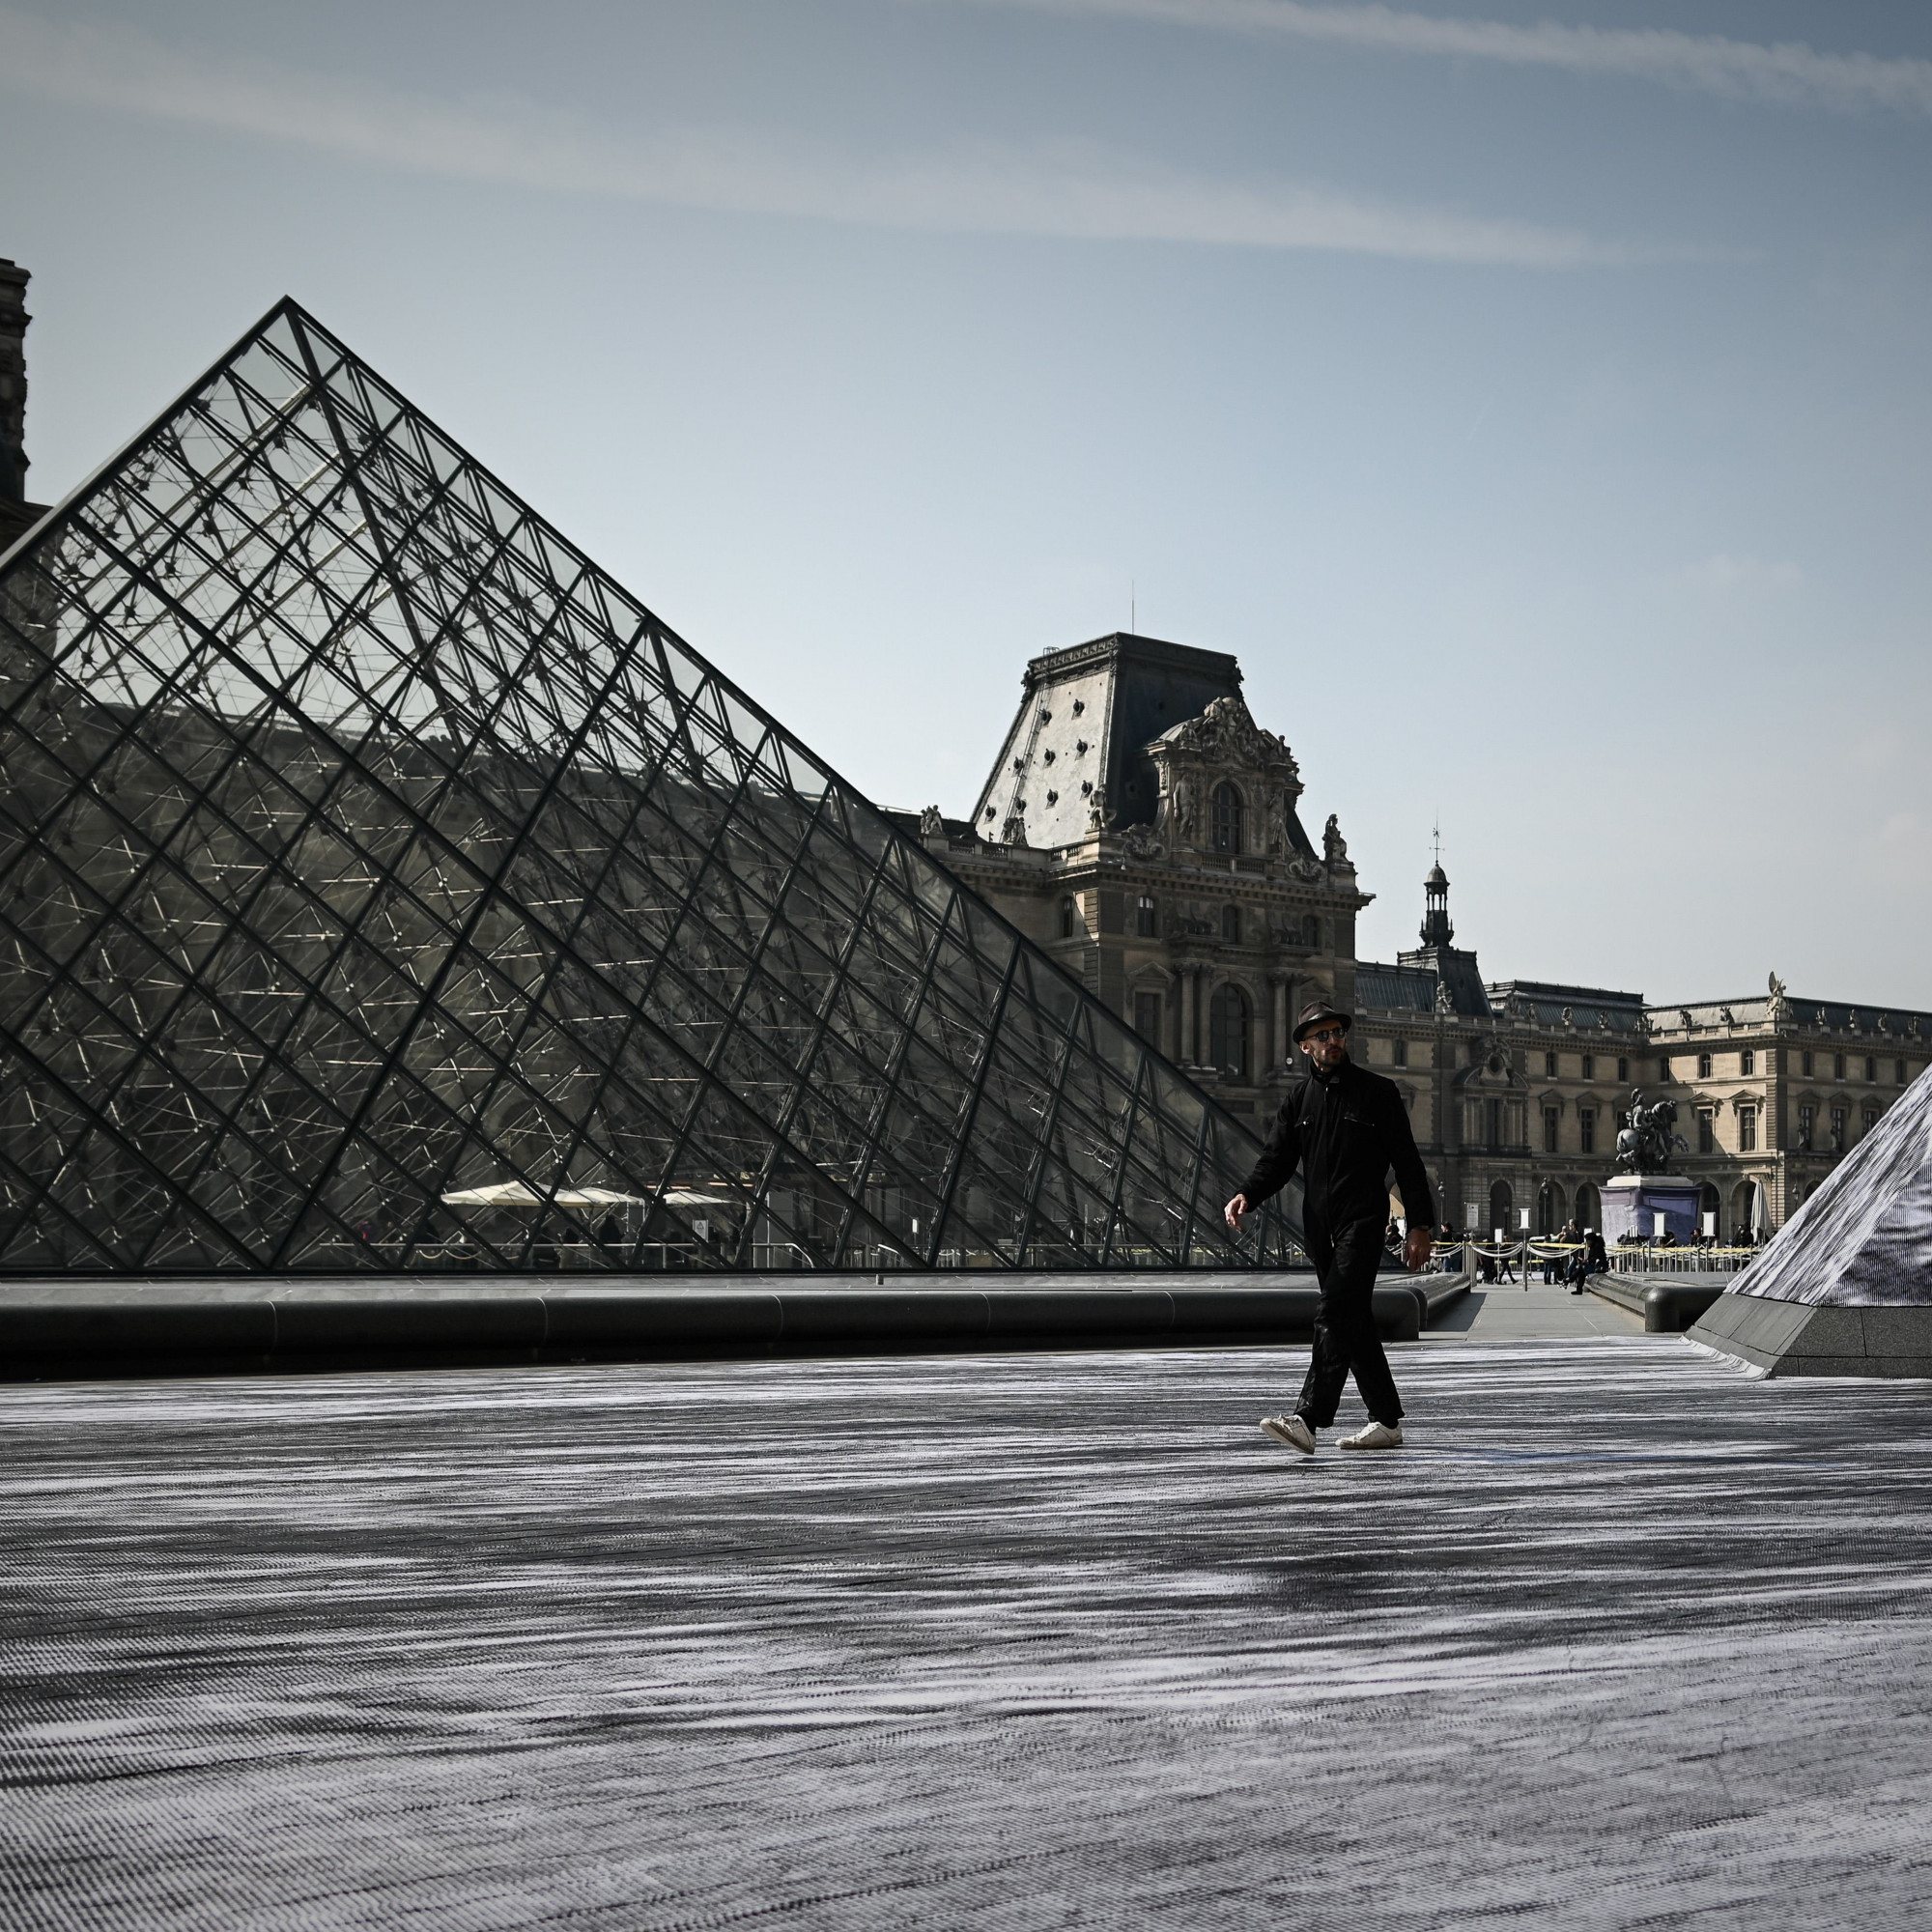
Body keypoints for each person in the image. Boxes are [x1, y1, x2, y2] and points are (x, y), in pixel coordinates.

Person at [1227, 1000, 1435, 1455]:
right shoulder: (1298, 1100)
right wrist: (1248, 1193)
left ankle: (1308, 1418)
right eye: (1324, 1036)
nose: (1335, 1040)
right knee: (1353, 1320)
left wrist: (1419, 1224)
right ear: (1306, 1046)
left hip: (1363, 1218)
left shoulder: (1378, 1092)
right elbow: (1276, 1161)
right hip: (1320, 1225)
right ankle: (1386, 1420)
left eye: (1339, 1032)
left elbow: (1408, 1163)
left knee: (1335, 1311)